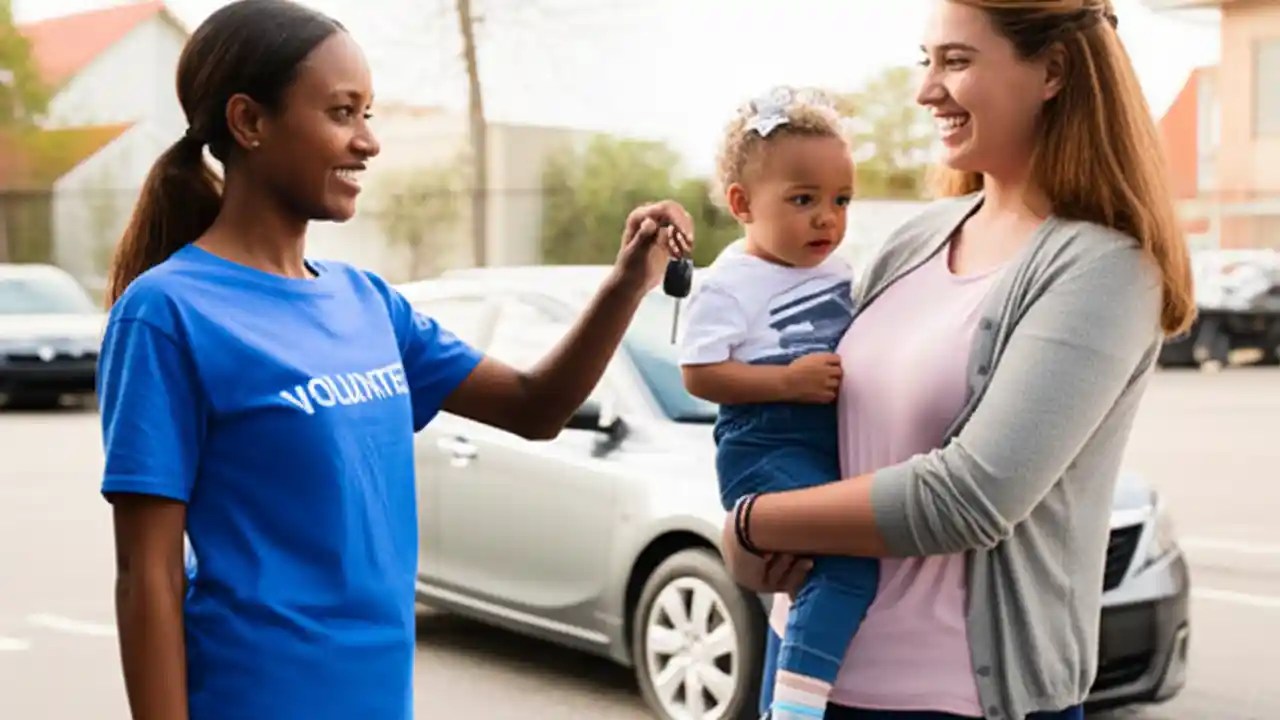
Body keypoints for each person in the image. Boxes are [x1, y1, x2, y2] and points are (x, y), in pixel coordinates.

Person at [96, 2, 693, 719]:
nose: (369, 142)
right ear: (250, 122)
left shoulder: (368, 301)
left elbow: (537, 406)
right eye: (343, 112)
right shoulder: (167, 313)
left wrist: (629, 280)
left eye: (368, 112)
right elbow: (147, 575)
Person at [716, 2, 1195, 719]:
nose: (925, 90)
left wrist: (751, 524)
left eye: (957, 61)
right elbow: (807, 425)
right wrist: (757, 550)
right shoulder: (915, 239)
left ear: (1053, 72)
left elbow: (969, 497)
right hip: (803, 676)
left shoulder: (1102, 268)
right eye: (926, 60)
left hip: (950, 702)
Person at [678, 86, 877, 720]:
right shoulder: (729, 282)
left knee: (833, 569)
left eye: (841, 200)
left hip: (825, 440)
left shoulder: (839, 270)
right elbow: (699, 374)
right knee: (847, 565)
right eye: (803, 200)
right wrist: (787, 383)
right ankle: (792, 706)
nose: (827, 218)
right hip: (765, 444)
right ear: (742, 204)